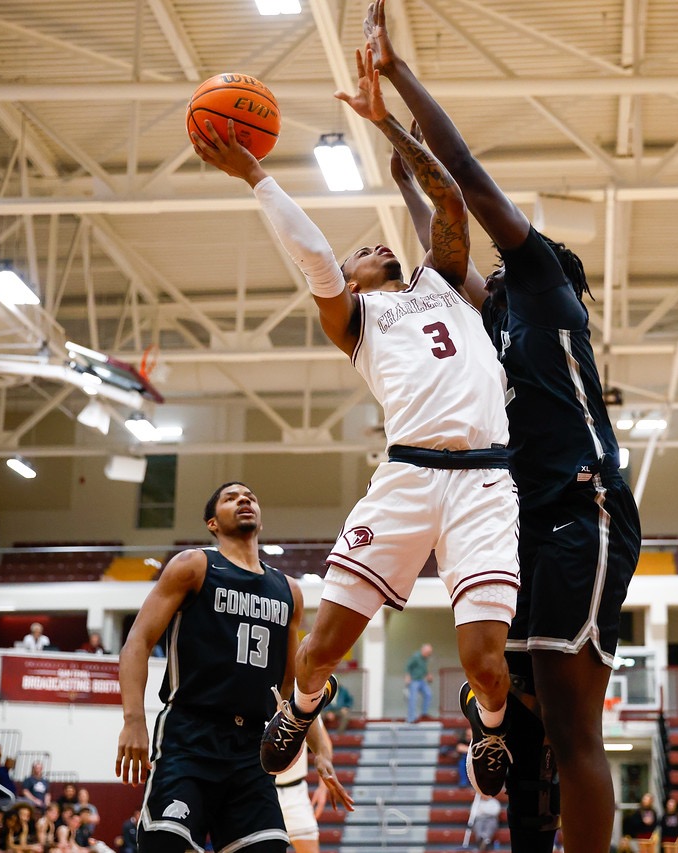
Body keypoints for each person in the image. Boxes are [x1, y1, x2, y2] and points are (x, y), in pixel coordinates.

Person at [193, 52, 519, 799]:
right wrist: (255, 176)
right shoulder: (355, 318)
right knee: (319, 651)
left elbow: (450, 205)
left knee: (484, 662)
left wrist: (391, 134)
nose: (378, 245)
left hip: (485, 480)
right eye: (360, 249)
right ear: (348, 273)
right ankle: (302, 707)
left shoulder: (442, 284)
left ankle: (488, 720)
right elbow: (312, 256)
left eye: (384, 244)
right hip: (406, 475)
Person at [364, 5, 642, 851]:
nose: (488, 263)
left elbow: (469, 183)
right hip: (518, 530)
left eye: (505, 256)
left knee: (569, 724)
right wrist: (408, 186)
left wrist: (399, 84)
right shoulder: (495, 326)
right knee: (516, 725)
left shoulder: (548, 293)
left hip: (582, 513)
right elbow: (445, 232)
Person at [115, 481, 351, 853]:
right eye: (231, 498)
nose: (244, 500)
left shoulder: (288, 590)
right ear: (212, 522)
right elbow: (136, 644)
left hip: (251, 751)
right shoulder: (193, 565)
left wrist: (321, 747)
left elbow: (292, 686)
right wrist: (133, 720)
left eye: (251, 497)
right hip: (190, 736)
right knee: (166, 845)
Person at [274, 745, 339, 853]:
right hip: (260, 792)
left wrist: (323, 788)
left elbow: (324, 744)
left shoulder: (308, 726)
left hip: (295, 793)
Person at [404, 643, 434, 723]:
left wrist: (428, 675)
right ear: (423, 650)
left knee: (428, 694)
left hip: (421, 680)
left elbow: (423, 669)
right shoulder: (415, 657)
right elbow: (408, 666)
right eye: (428, 652)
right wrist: (407, 677)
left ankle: (424, 714)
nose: (429, 654)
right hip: (414, 680)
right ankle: (411, 718)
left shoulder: (425, 659)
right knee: (413, 699)